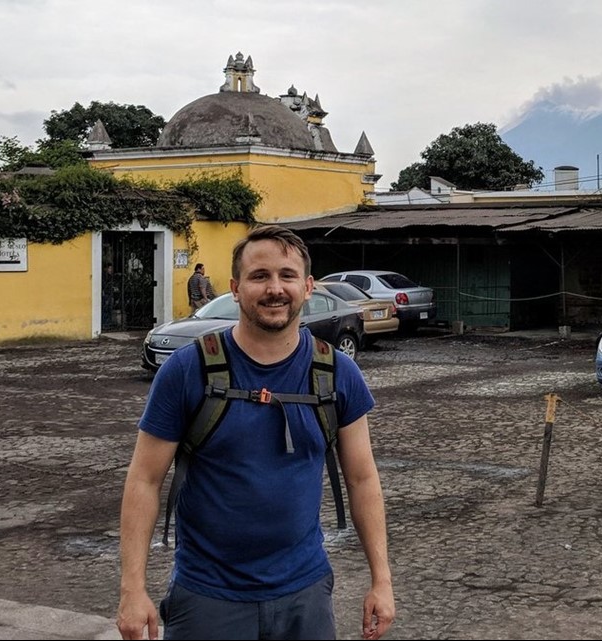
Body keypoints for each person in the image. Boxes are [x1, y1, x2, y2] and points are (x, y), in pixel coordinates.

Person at [117, 225, 395, 640]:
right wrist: (131, 589)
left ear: (308, 286)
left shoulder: (338, 372)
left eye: (287, 276)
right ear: (235, 288)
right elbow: (144, 479)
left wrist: (382, 579)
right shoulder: (187, 370)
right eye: (259, 276)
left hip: (305, 593)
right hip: (207, 596)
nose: (274, 289)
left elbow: (362, 478)